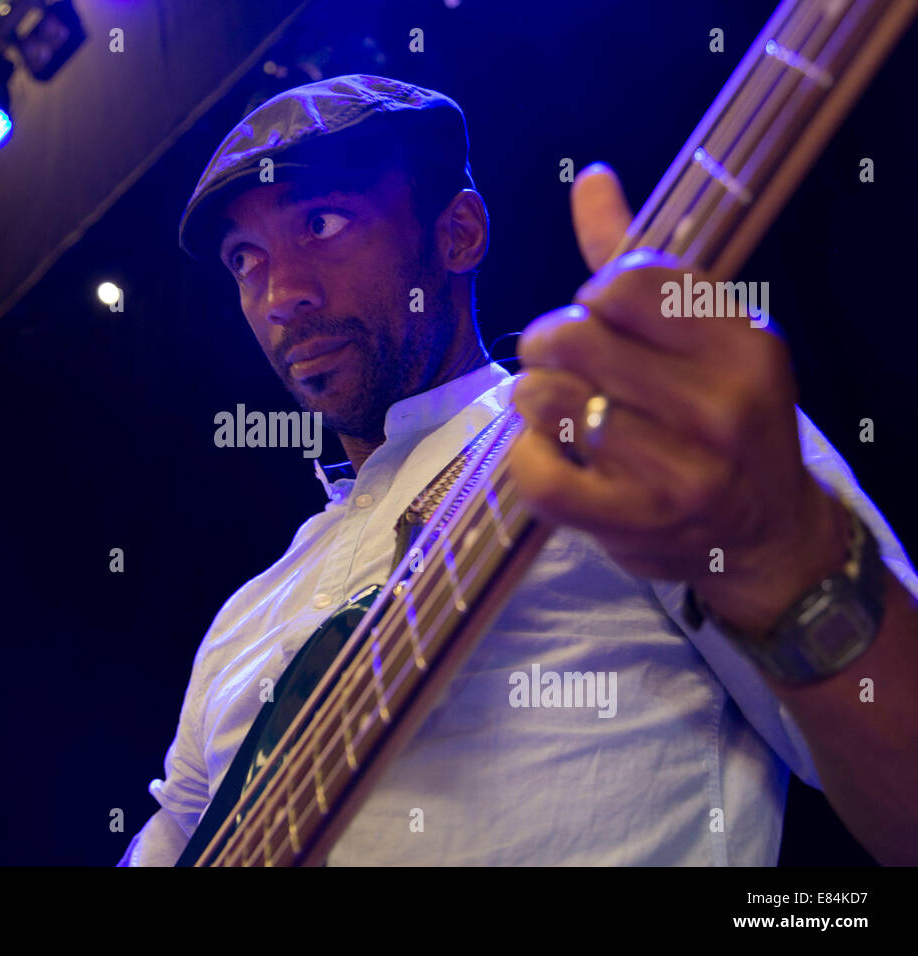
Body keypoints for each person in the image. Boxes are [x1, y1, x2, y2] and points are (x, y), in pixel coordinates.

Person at [117, 75, 918, 865]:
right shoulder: (238, 626)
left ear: (459, 233)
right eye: (245, 259)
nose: (280, 292)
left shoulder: (637, 429)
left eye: (322, 222)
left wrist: (784, 555)